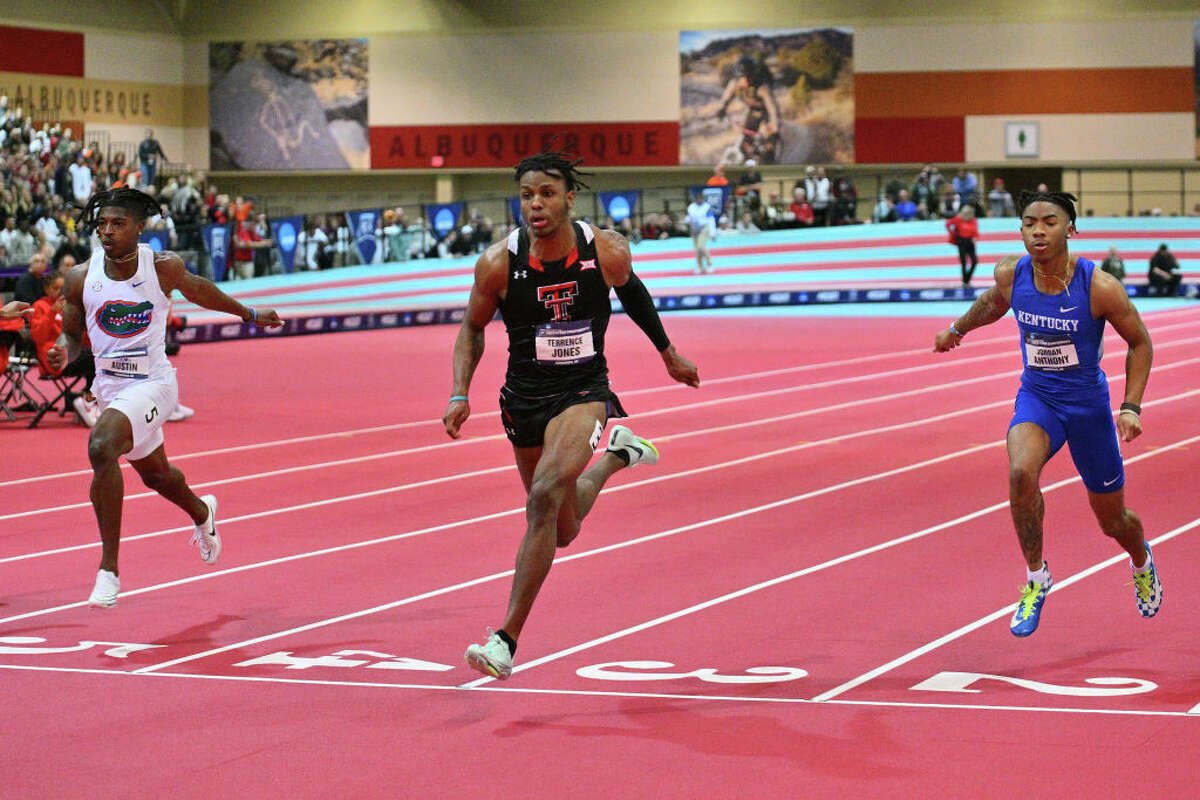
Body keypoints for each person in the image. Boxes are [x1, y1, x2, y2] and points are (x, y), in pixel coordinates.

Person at [446, 150, 699, 679]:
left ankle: (504, 641)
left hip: (583, 391)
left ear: (569, 198)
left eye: (546, 194)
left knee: (542, 496)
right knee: (560, 528)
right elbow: (472, 328)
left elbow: (635, 296)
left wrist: (668, 353)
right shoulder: (498, 263)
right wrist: (458, 393)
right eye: (526, 196)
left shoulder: (605, 250)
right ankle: (618, 457)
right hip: (523, 400)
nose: (535, 205)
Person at [933, 190, 1159, 637]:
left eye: (1049, 222)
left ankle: (1141, 560)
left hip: (1088, 408)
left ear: (1070, 229)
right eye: (1029, 223)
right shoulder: (1011, 274)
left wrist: (1130, 407)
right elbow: (992, 303)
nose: (1038, 231)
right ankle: (1037, 577)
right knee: (1020, 472)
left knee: (1113, 522)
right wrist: (957, 329)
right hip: (1038, 398)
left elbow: (1140, 342)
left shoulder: (1099, 286)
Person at [47, 187, 283, 608]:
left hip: (154, 384)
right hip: (110, 388)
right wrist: (63, 351)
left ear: (140, 228)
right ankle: (202, 512)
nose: (107, 231)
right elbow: (71, 334)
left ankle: (108, 570)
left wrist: (248, 313)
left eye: (118, 224)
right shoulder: (82, 276)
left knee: (102, 446)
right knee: (156, 476)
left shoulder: (161, 268)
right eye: (102, 224)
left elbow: (200, 291)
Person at [716, 55, 781, 165]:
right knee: (745, 141)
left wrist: (775, 129)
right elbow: (725, 98)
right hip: (753, 110)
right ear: (738, 76)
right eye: (743, 77)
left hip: (766, 111)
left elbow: (772, 109)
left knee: (769, 143)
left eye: (749, 76)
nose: (746, 80)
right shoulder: (734, 84)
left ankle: (770, 163)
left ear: (754, 75)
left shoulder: (762, 87)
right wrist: (721, 109)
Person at [946, 203, 980, 286]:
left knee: (975, 261)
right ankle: (965, 281)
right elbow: (948, 224)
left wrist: (975, 238)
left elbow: (975, 231)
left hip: (970, 242)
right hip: (961, 242)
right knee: (963, 262)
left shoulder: (973, 220)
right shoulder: (958, 219)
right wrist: (953, 233)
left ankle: (967, 279)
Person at [686, 191, 716, 274]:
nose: (699, 200)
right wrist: (688, 222)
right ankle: (700, 267)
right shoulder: (691, 207)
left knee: (701, 246)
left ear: (703, 199)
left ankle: (710, 264)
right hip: (695, 229)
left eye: (700, 199)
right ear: (695, 199)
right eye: (697, 199)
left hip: (704, 227)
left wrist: (713, 233)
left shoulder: (707, 207)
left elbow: (711, 220)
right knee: (697, 250)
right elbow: (689, 218)